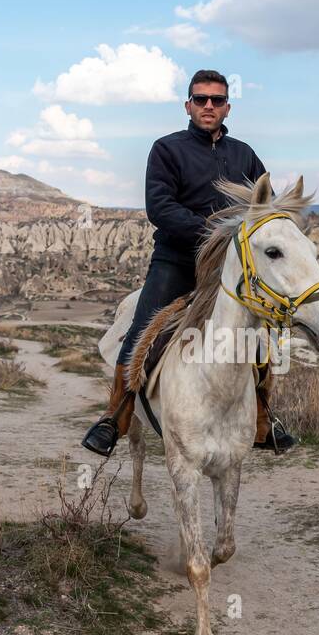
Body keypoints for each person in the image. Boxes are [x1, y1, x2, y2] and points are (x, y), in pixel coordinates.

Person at [81, 69, 296, 457]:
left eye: (216, 100)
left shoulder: (244, 155)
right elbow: (160, 208)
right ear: (188, 105)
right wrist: (212, 235)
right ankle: (115, 415)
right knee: (142, 331)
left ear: (228, 107)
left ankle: (264, 418)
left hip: (229, 267)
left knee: (259, 335)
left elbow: (265, 208)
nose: (208, 106)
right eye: (201, 99)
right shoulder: (167, 149)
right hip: (177, 259)